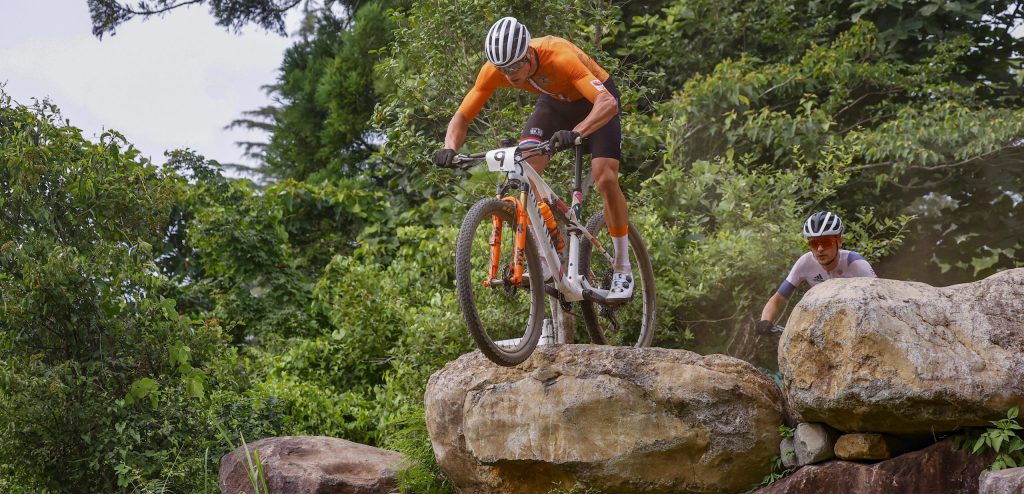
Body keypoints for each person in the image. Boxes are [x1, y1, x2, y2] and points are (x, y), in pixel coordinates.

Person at [433, 16, 633, 300]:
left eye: (515, 66)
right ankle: (546, 252)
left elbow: (607, 103)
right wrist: (450, 147)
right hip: (554, 103)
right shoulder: (495, 70)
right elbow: (463, 116)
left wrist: (575, 132)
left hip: (595, 100)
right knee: (523, 165)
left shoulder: (559, 55)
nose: (510, 75)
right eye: (503, 69)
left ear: (528, 53)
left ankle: (623, 266)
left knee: (605, 177)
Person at [754, 211, 877, 335]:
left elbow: (880, 297)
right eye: (814, 243)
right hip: (824, 323)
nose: (820, 249)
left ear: (839, 241)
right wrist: (765, 321)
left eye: (826, 242)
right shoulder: (805, 262)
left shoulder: (854, 262)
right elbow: (777, 299)